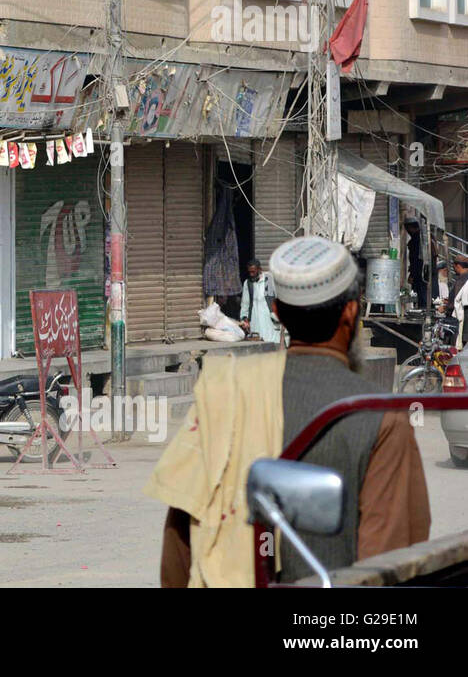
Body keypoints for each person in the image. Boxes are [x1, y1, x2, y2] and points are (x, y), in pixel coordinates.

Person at [145, 235, 430, 587]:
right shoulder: (380, 416)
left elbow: (179, 539)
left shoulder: (225, 390)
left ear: (277, 313)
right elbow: (390, 559)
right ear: (352, 312)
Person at [238, 258, 280, 343]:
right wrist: (244, 318)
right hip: (254, 320)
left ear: (259, 269)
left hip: (268, 319)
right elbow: (245, 303)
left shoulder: (270, 280)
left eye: (253, 272)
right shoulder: (247, 283)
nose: (251, 274)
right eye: (249, 272)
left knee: (272, 341)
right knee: (257, 342)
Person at [406, 219, 428, 307]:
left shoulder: (416, 239)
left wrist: (412, 274)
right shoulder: (422, 237)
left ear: (411, 228)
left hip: (419, 272)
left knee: (419, 294)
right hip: (423, 271)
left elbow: (416, 259)